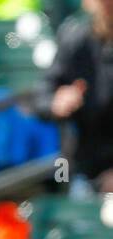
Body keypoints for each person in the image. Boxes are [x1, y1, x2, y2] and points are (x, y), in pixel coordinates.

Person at [39, 0, 113, 194]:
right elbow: (41, 96)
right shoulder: (75, 40)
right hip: (83, 166)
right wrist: (57, 101)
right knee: (68, 190)